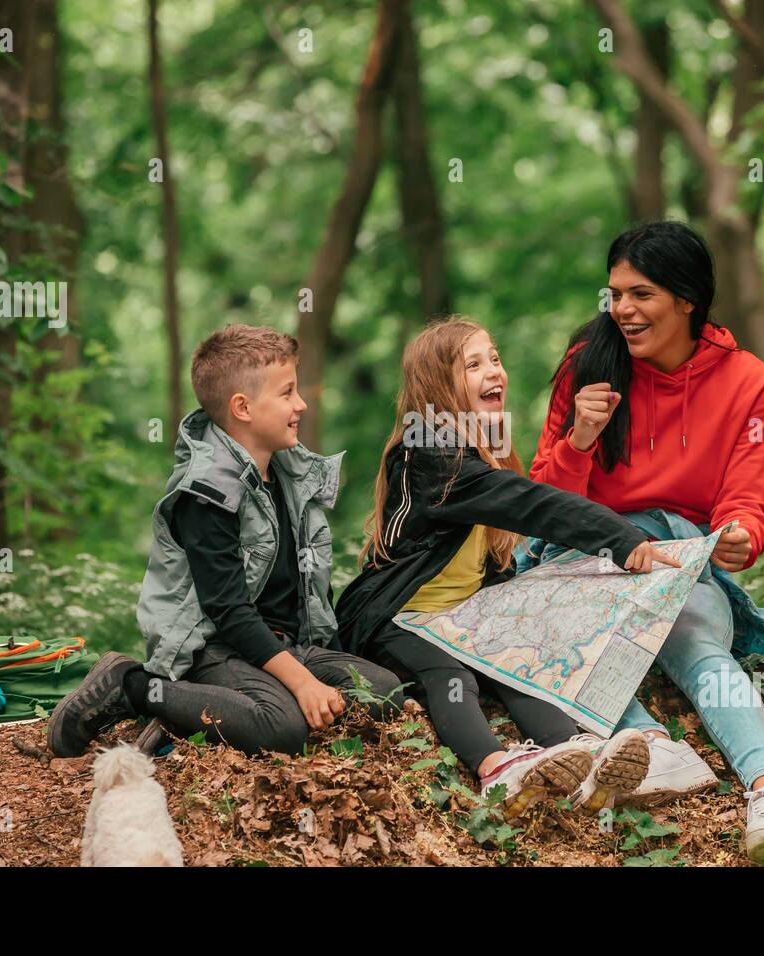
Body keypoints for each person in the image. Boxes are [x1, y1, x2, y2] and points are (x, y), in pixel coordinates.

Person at [529, 220, 764, 864]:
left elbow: (747, 497)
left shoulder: (748, 381)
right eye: (616, 293)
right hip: (588, 552)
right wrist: (580, 439)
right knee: (580, 655)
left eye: (642, 293)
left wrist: (742, 534)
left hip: (678, 556)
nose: (622, 309)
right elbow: (542, 499)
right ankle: (654, 750)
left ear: (687, 299)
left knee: (697, 646)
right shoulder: (587, 365)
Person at [336, 317, 679, 818]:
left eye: (494, 358)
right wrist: (619, 539)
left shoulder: (487, 450)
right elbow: (529, 503)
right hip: (394, 618)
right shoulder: (428, 451)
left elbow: (501, 544)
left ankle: (581, 756)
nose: (494, 370)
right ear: (437, 386)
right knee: (450, 674)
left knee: (518, 667)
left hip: (458, 616)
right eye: (473, 364)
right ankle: (497, 768)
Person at [48, 324, 402, 759]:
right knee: (282, 729)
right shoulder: (207, 492)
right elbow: (228, 611)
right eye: (288, 393)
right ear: (243, 407)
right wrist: (304, 684)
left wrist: (320, 672)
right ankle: (134, 687)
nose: (302, 404)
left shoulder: (290, 473)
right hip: (214, 647)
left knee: (384, 694)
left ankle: (197, 716)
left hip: (283, 645)